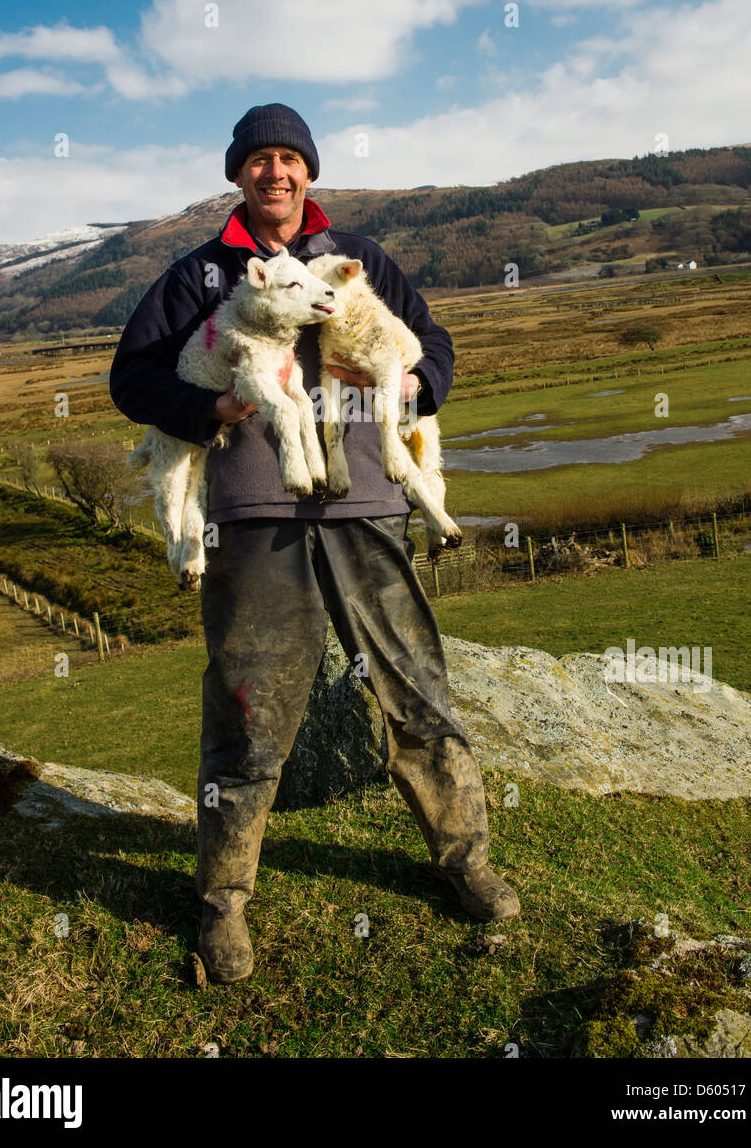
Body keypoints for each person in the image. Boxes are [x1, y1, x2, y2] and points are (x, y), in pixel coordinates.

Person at [109, 103, 521, 984]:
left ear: (309, 172)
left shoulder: (358, 263)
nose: (276, 174)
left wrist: (415, 382)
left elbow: (432, 345)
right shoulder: (199, 276)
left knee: (416, 689)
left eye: (289, 158)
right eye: (259, 160)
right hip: (251, 515)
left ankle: (465, 861)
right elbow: (131, 377)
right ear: (237, 174)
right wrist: (210, 409)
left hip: (368, 502)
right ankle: (223, 902)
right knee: (248, 708)